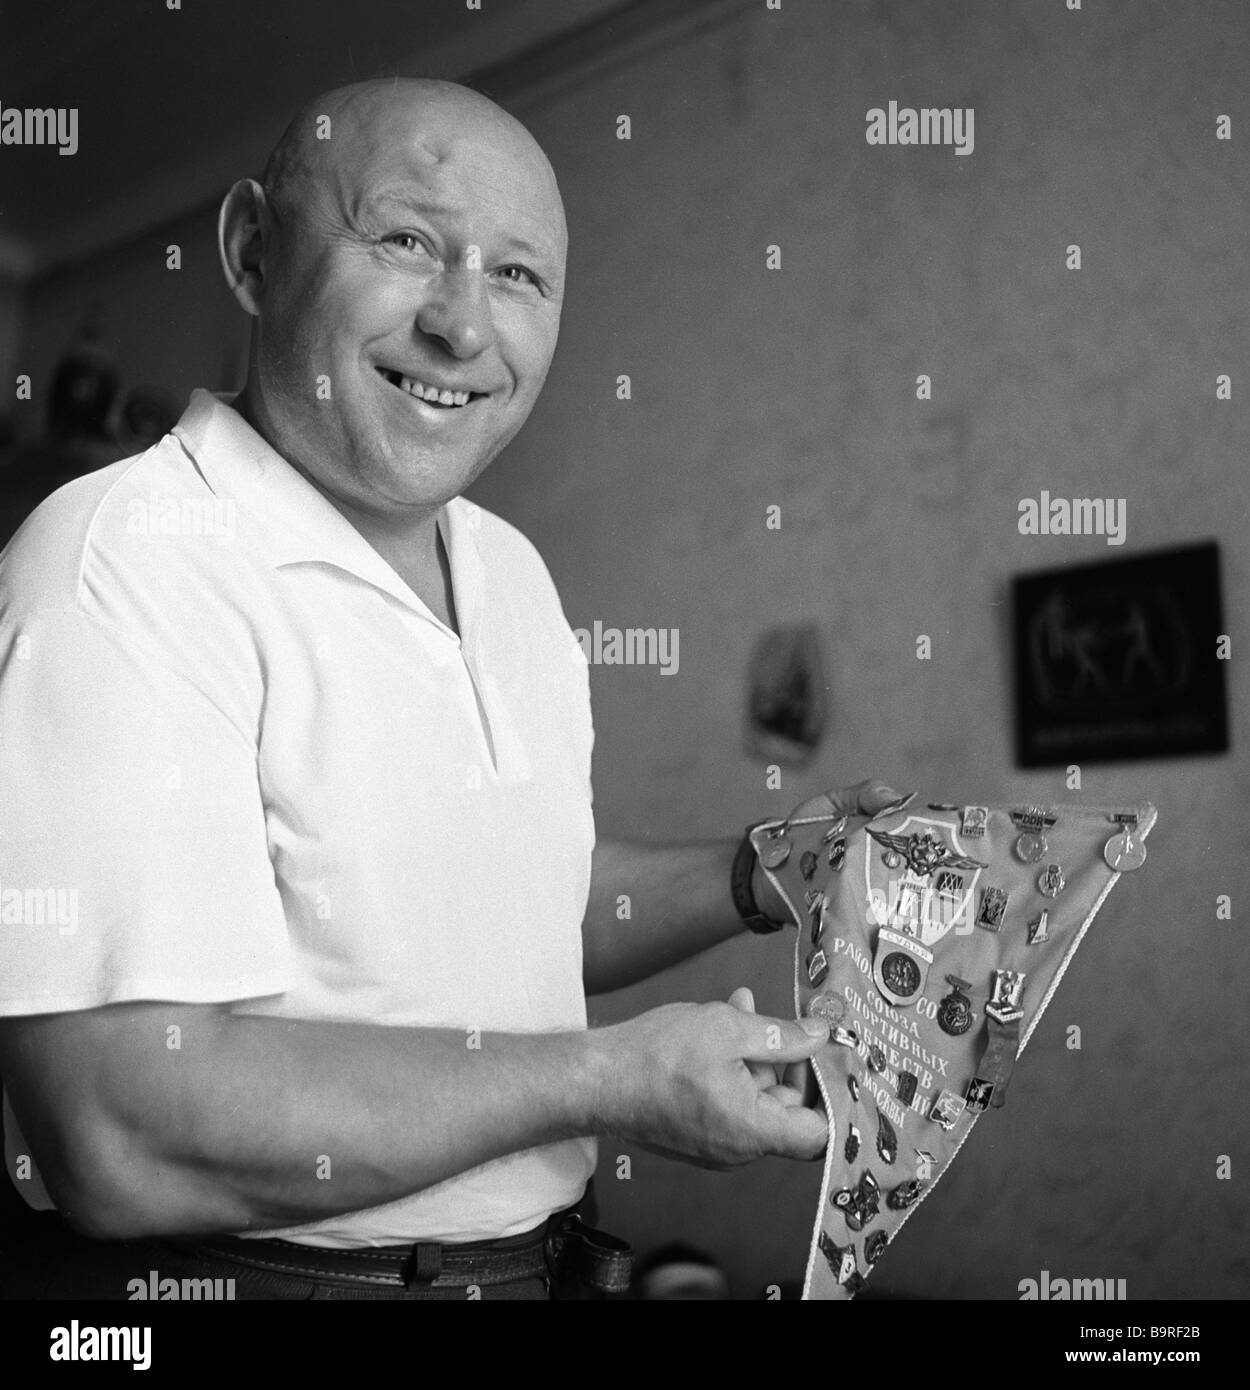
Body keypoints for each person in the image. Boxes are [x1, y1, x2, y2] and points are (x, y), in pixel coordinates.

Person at [0, 78, 899, 1300]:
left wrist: (768, 867)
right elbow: (120, 1128)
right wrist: (611, 1078)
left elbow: (513, 919)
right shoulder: (125, 559)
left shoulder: (510, 573)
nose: (464, 326)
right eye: (408, 240)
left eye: (520, 275)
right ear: (254, 250)